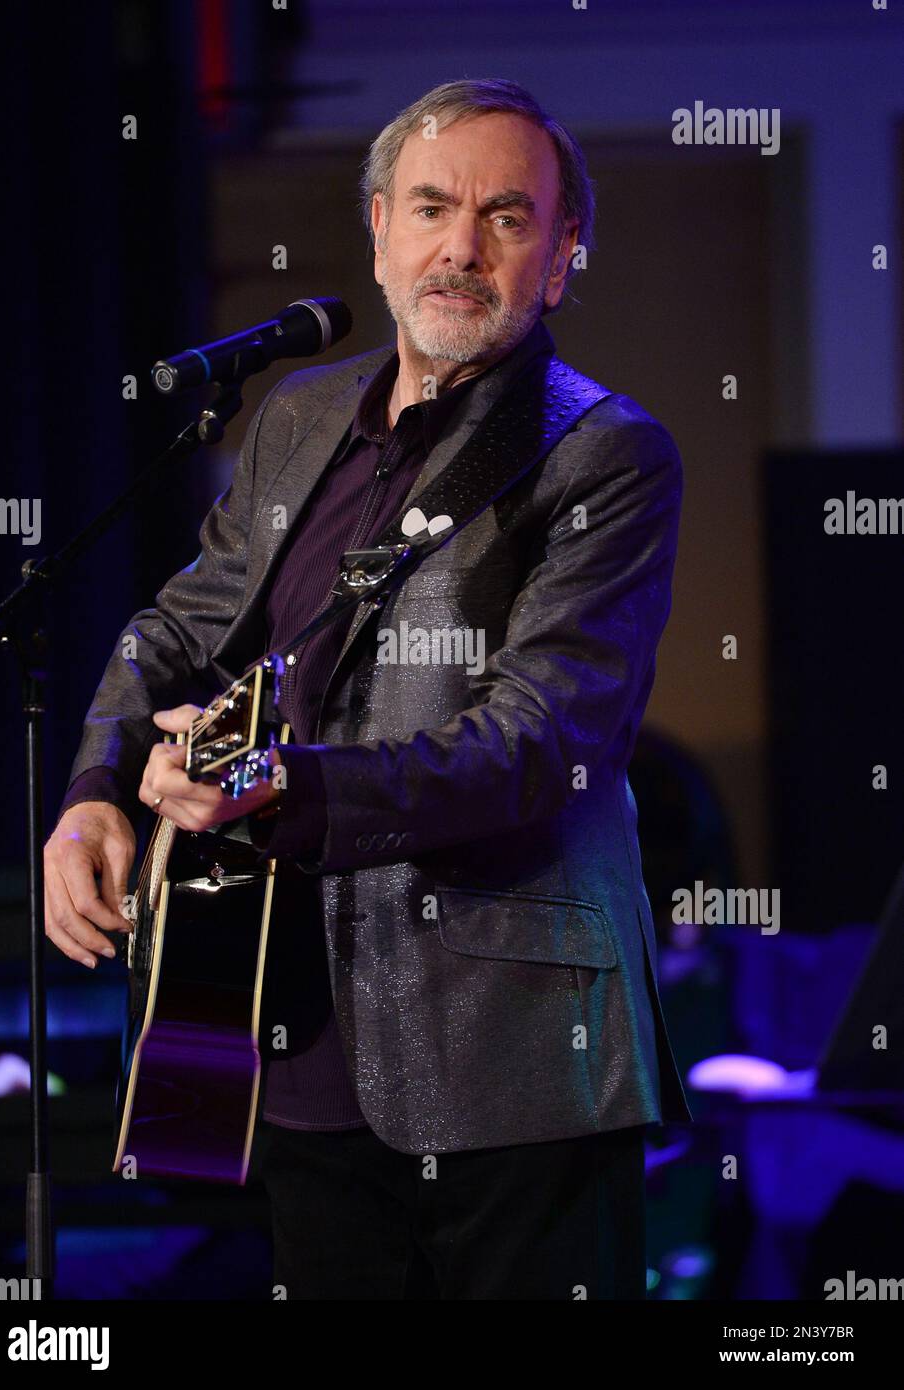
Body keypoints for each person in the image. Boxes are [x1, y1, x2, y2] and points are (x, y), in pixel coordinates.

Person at [44, 78, 692, 1301]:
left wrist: (282, 794)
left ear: (559, 261)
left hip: (515, 1065)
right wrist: (94, 787)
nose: (461, 246)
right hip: (289, 1026)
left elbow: (544, 740)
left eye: (507, 217)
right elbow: (183, 622)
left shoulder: (605, 452)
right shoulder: (296, 417)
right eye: (434, 209)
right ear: (381, 231)